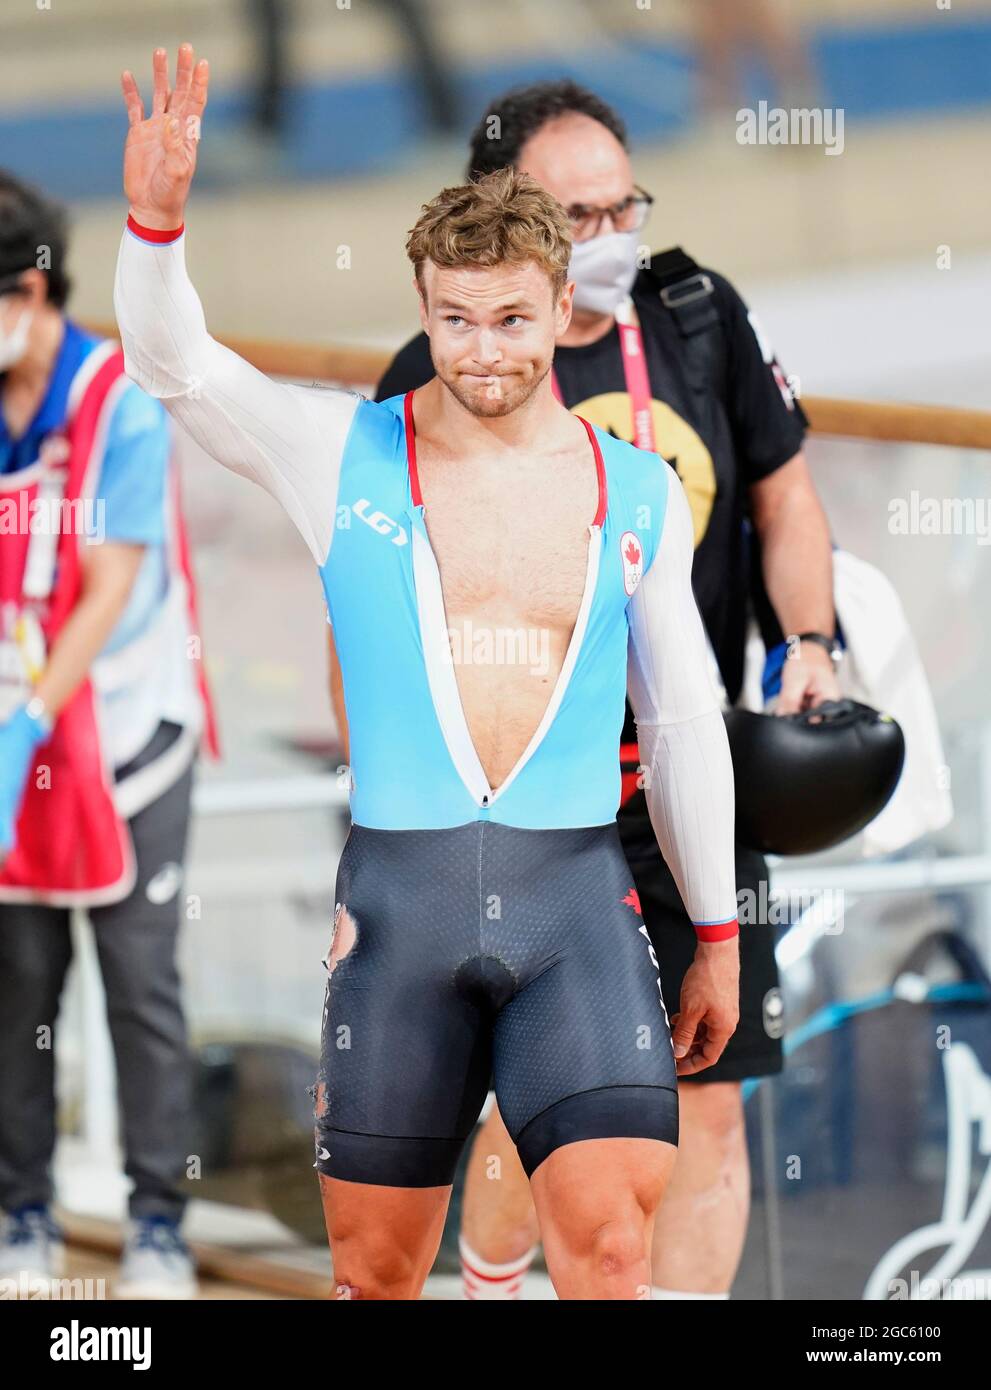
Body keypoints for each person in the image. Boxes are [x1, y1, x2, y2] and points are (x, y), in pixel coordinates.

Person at [115, 43, 741, 1301]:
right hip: (400, 919)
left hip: (578, 909)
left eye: (511, 318)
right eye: (453, 319)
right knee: (377, 1272)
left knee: (614, 1249)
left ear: (561, 305)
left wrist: (718, 930)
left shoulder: (635, 491)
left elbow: (681, 722)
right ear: (422, 308)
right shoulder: (334, 451)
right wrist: (158, 223)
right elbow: (174, 363)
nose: (483, 350)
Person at [347, 79, 840, 1299]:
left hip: (678, 781)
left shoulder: (694, 313)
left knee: (705, 1108)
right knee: (530, 1114)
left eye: (625, 205)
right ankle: (495, 1280)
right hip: (515, 808)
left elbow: (783, 496)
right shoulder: (437, 373)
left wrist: (811, 643)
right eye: (580, 212)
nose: (611, 234)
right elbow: (357, 596)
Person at [0, 170, 217, 1298]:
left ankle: (159, 1224)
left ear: (28, 291)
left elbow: (105, 586)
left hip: (126, 728)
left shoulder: (116, 400)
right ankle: (22, 1213)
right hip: (12, 732)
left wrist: (30, 720)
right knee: (16, 988)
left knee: (140, 986)